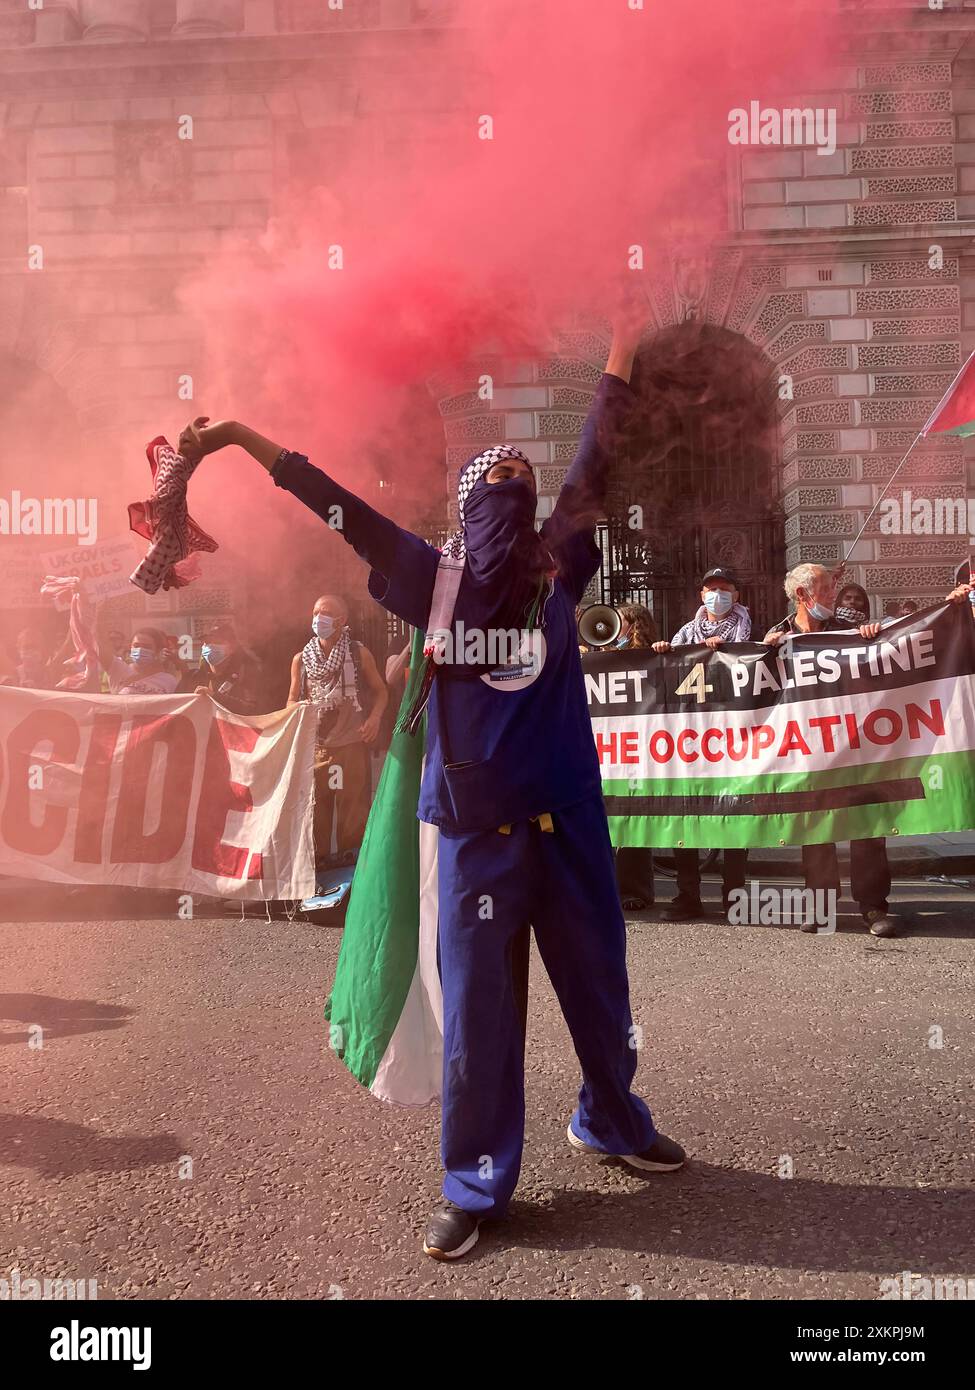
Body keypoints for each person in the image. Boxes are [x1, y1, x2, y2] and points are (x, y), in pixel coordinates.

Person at [184, 312, 686, 1262]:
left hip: (568, 820)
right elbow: (330, 504)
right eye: (494, 480)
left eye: (522, 482)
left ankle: (612, 1121)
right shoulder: (428, 577)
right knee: (479, 1020)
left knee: (601, 990)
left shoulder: (559, 565)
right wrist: (244, 440)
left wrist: (621, 345)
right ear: (466, 504)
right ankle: (475, 1184)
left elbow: (596, 458)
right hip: (473, 834)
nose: (513, 485)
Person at [652, 567, 752, 921]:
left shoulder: (748, 631)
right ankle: (687, 896)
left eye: (725, 590)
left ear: (736, 596)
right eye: (711, 589)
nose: (718, 596)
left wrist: (729, 652)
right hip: (693, 740)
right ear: (701, 595)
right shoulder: (686, 633)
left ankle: (734, 897)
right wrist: (664, 650)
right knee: (688, 815)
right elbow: (671, 669)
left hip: (734, 737)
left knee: (734, 816)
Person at [287, 594, 387, 868]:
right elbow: (292, 701)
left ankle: (350, 874)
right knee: (316, 812)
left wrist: (375, 718)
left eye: (326, 612)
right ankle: (317, 872)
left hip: (352, 745)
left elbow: (381, 692)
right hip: (317, 748)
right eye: (316, 611)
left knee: (353, 814)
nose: (319, 617)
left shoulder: (358, 653)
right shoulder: (301, 660)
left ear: (342, 620)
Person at [613, 603, 658, 910]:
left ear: (634, 625)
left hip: (636, 746)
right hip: (609, 747)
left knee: (633, 818)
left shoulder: (651, 657)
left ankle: (635, 888)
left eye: (620, 622)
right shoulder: (601, 655)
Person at [189, 620, 263, 716]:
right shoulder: (196, 676)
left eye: (217, 641)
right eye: (207, 642)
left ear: (232, 647)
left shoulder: (247, 672)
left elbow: (253, 710)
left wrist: (215, 697)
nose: (210, 646)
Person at [100, 627, 180, 696]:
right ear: (130, 647)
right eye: (136, 646)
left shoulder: (168, 680)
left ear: (157, 651)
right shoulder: (119, 669)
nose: (140, 650)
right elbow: (97, 648)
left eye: (147, 647)